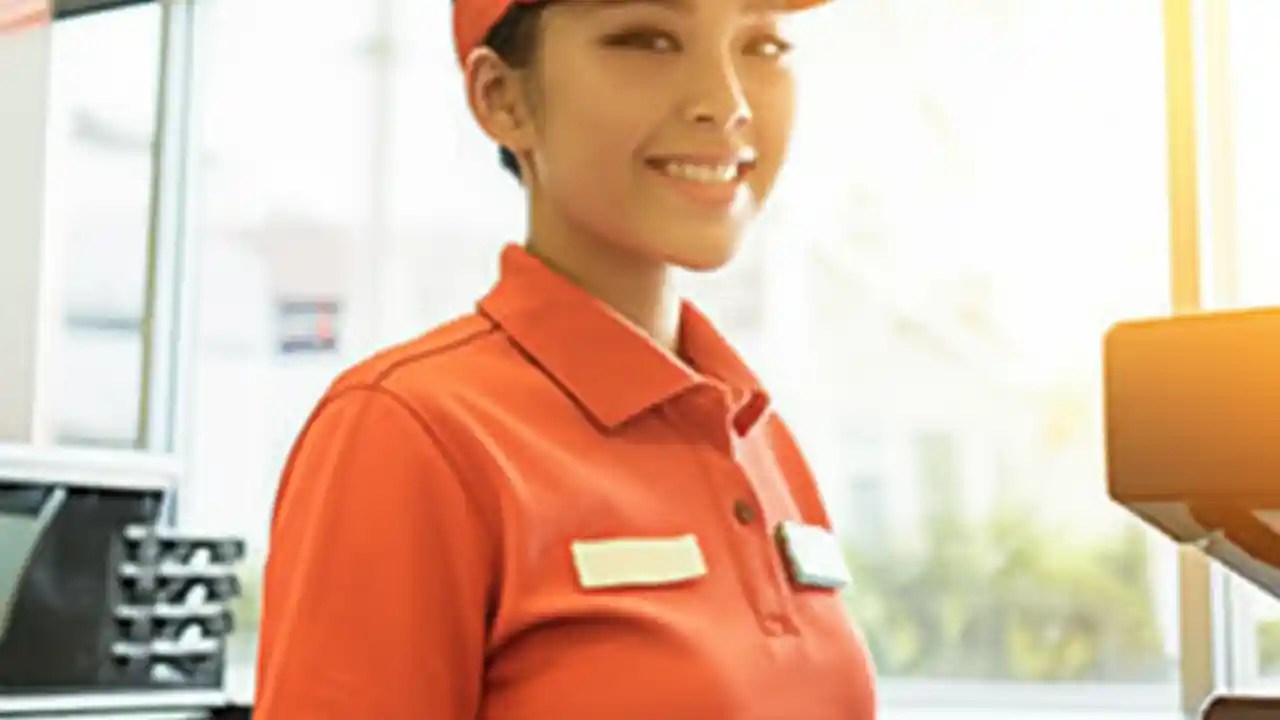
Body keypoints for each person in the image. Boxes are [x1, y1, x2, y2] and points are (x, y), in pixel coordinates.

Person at [253, 0, 878, 713]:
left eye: (761, 45)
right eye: (647, 40)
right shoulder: (411, 431)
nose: (726, 102)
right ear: (503, 99)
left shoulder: (756, 435)